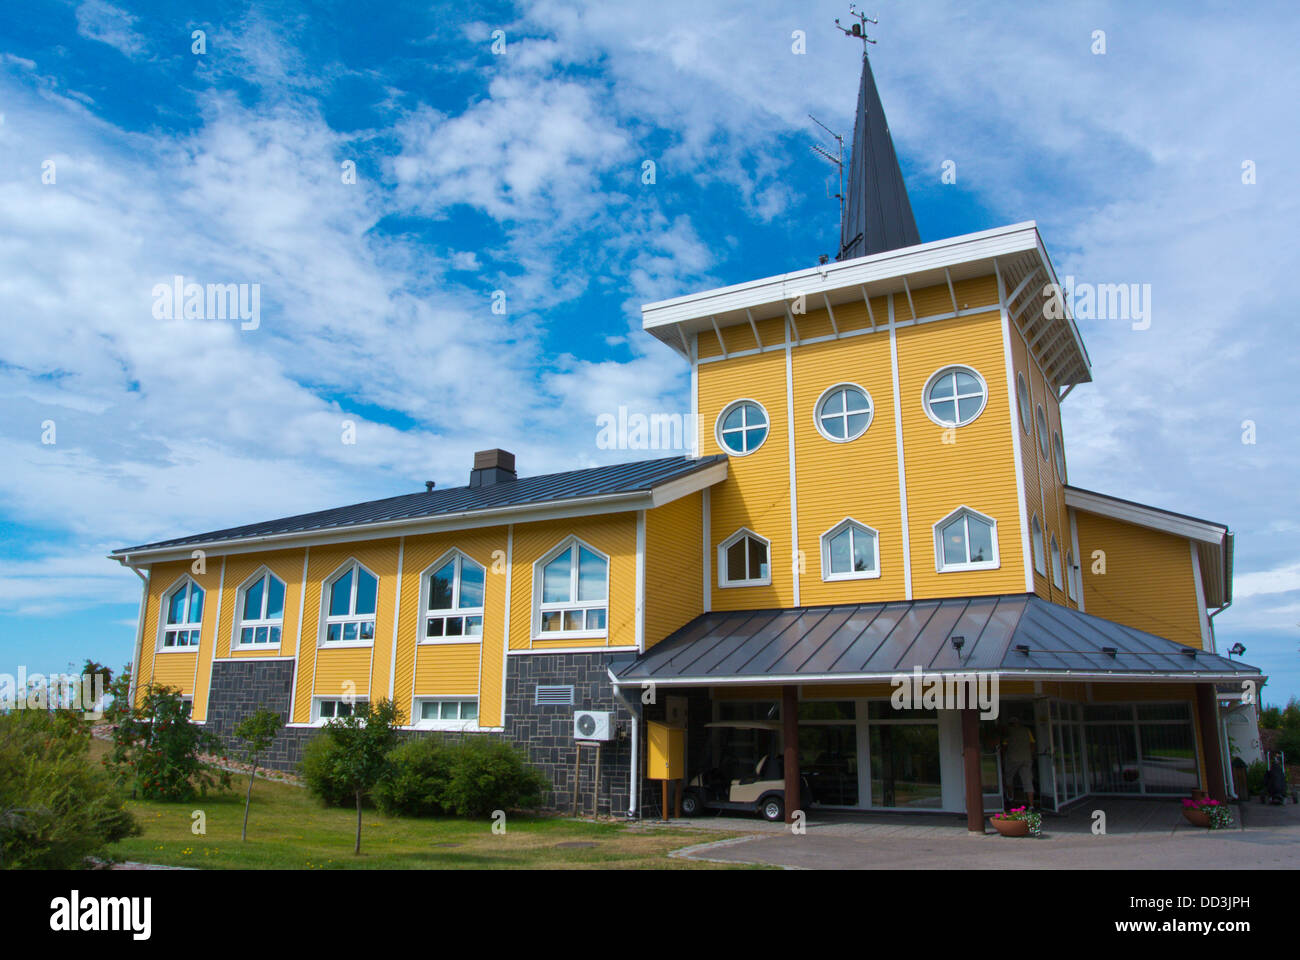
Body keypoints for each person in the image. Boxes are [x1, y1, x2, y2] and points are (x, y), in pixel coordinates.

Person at [1004, 716, 1036, 808]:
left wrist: (1003, 755)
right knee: (1028, 781)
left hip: (1012, 758)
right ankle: (1031, 805)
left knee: (1009, 778)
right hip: (1026, 758)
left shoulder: (1008, 731)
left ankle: (1011, 800)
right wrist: (1031, 754)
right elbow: (1032, 743)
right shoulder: (1027, 730)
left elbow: (1004, 745)